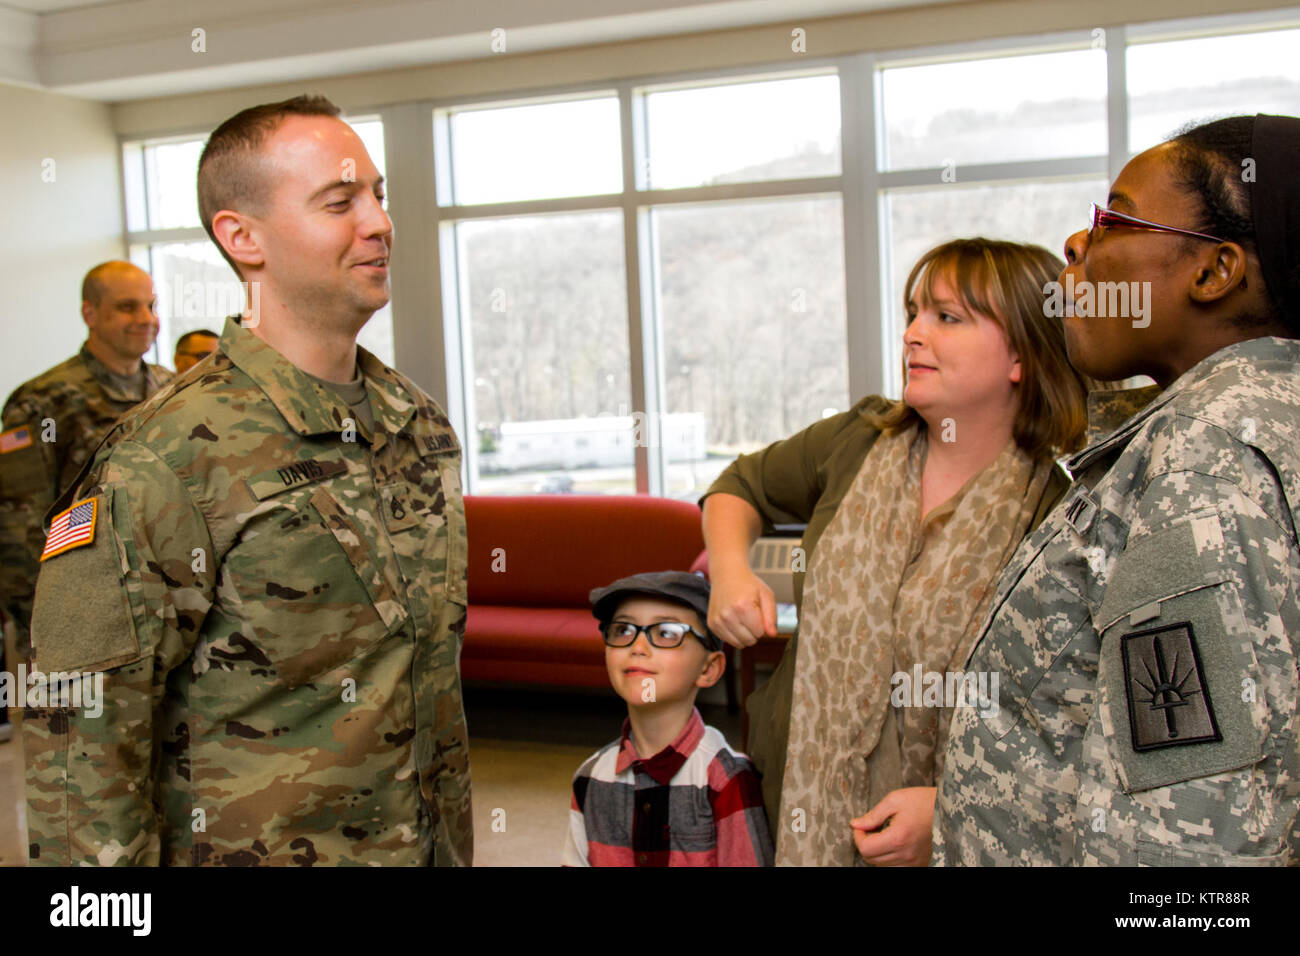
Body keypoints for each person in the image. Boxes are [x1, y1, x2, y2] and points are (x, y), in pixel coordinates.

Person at [22, 94, 472, 867]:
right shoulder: (157, 461)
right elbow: (78, 746)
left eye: (378, 195)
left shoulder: (416, 425)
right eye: (340, 202)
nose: (378, 223)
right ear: (242, 237)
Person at [933, 114, 1300, 866]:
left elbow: (1188, 836)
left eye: (1112, 218)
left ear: (1214, 271)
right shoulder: (1256, 417)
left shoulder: (1204, 462)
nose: (1075, 243)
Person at [703, 238, 1094, 866]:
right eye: (914, 312)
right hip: (793, 805)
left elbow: (1068, 725)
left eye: (946, 317)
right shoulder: (859, 439)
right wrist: (729, 572)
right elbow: (738, 486)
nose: (913, 333)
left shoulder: (1063, 511)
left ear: (1021, 355)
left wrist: (952, 809)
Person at [0, 260, 172, 678]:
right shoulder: (44, 400)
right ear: (89, 314)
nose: (146, 320)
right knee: (80, 734)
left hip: (163, 595)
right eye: (128, 307)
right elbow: (18, 524)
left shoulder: (170, 387)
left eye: (150, 306)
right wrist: (40, 620)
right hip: (80, 606)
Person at [562, 571, 773, 866]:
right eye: (623, 630)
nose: (637, 647)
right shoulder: (589, 777)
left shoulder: (728, 779)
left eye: (666, 633)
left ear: (708, 669)